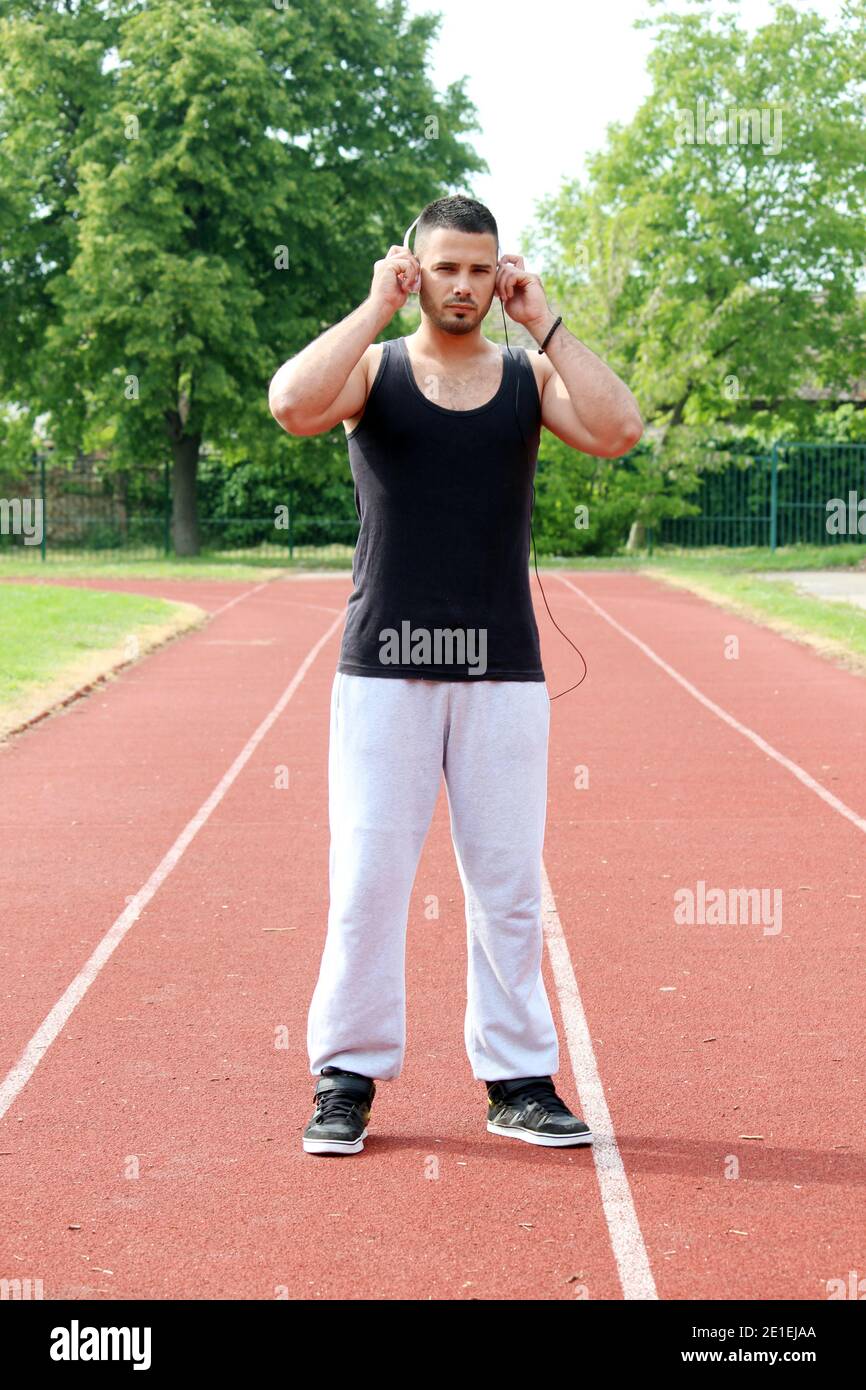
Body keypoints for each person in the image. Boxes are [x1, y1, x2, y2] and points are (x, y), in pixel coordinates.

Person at [268, 195, 642, 1155]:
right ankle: (344, 1078)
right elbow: (290, 405)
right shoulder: (374, 370)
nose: (464, 285)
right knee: (367, 879)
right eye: (446, 268)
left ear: (500, 271)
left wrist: (545, 317)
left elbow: (618, 431)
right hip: (384, 666)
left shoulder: (529, 375)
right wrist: (371, 306)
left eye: (480, 269)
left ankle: (516, 1079)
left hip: (502, 669)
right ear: (415, 269)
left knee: (509, 884)